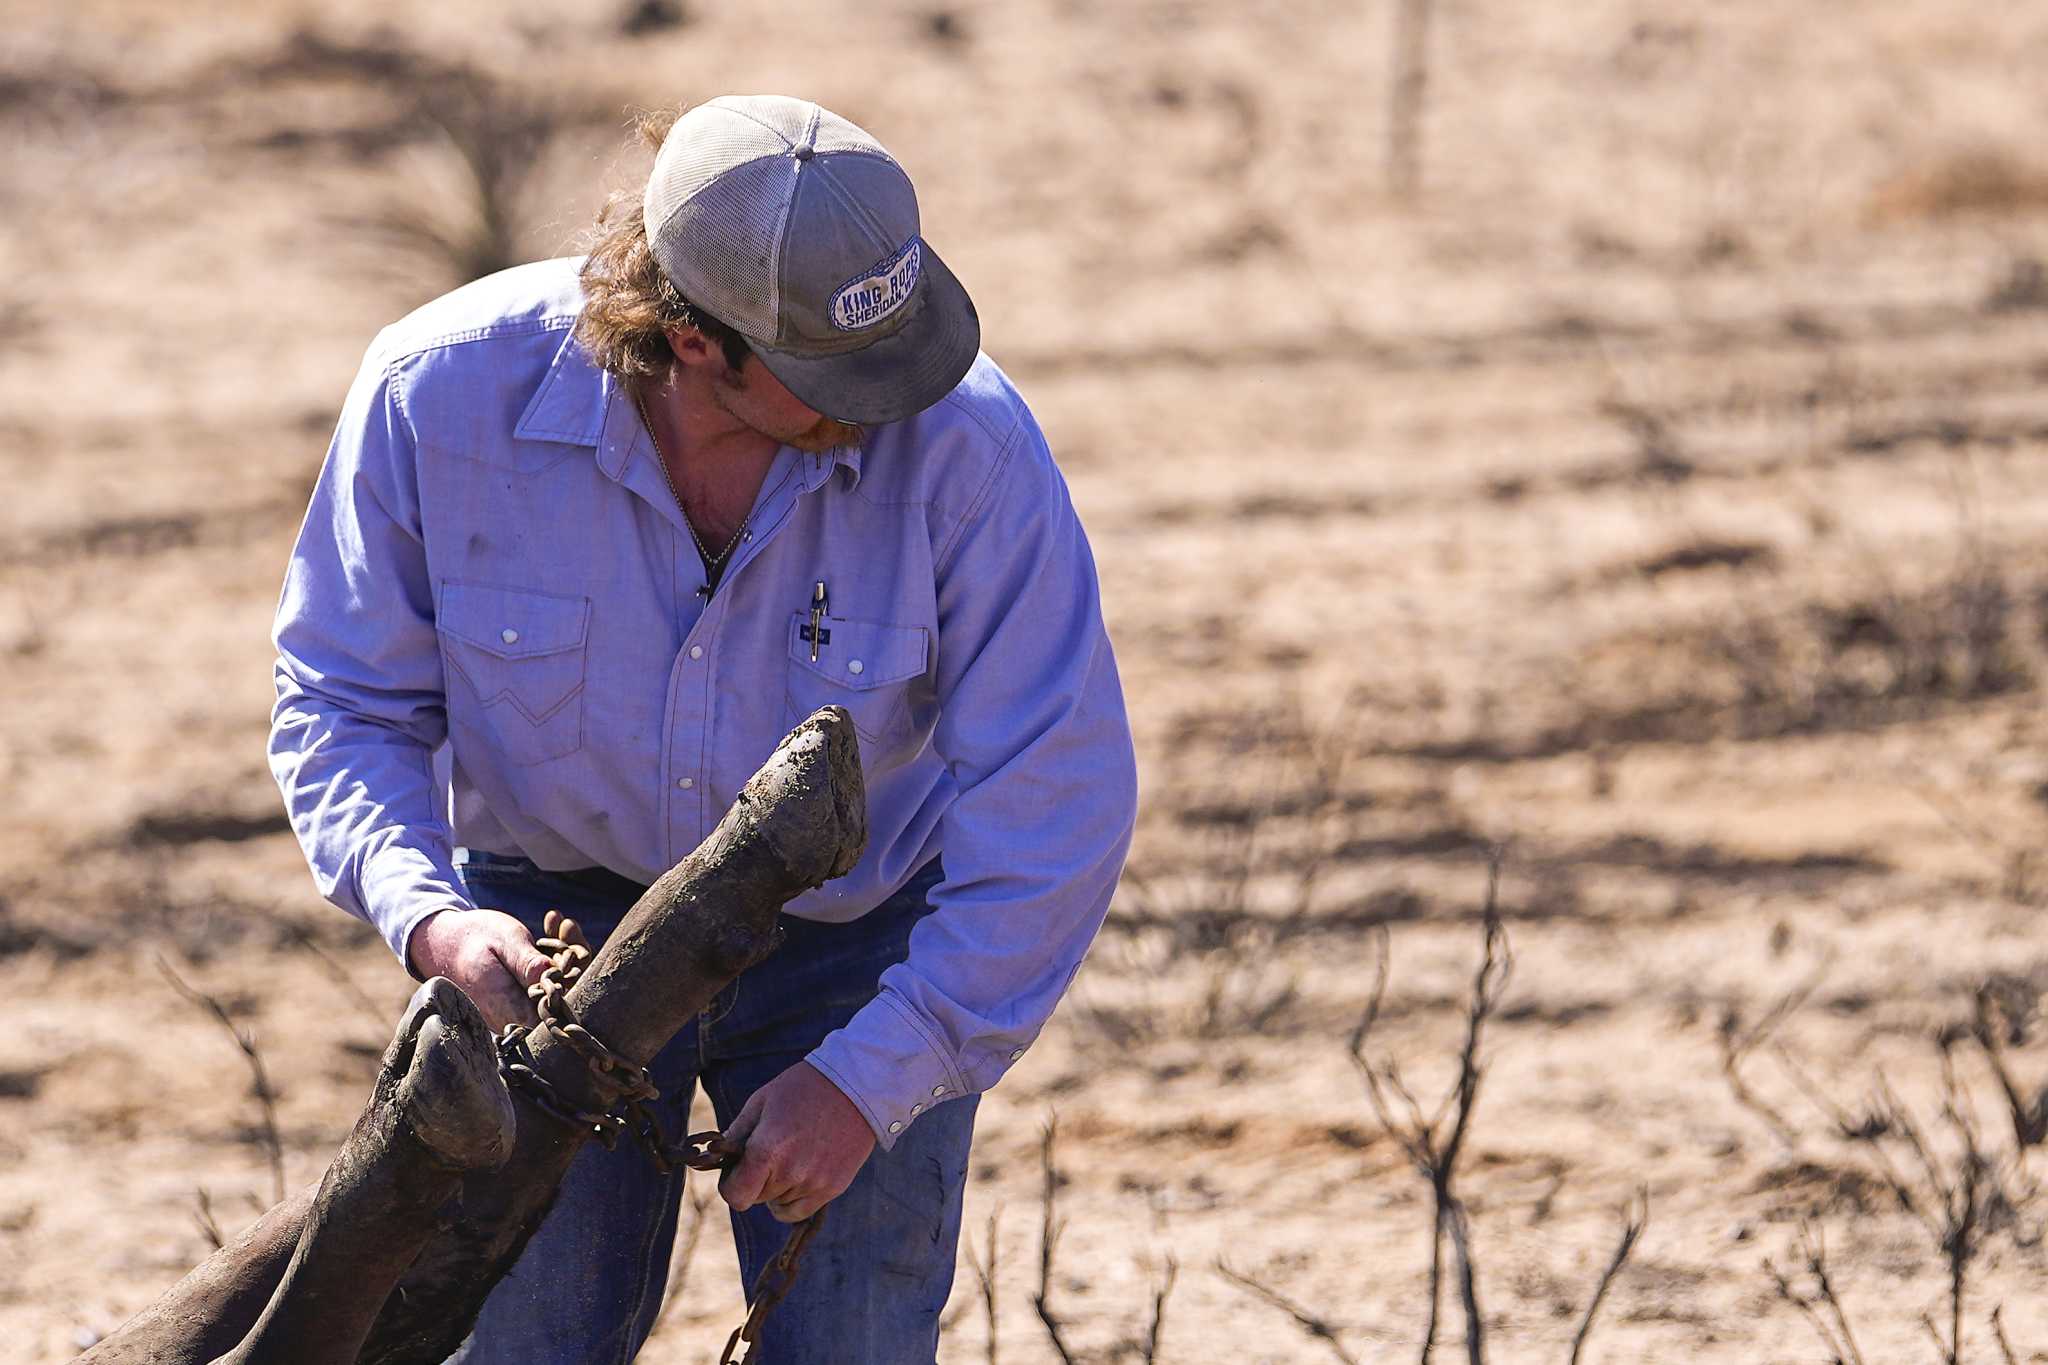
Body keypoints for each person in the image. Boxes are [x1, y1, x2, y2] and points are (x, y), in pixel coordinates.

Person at [267, 94, 1137, 1363]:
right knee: (528, 1345)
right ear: (691, 338)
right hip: (553, 935)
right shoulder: (435, 395)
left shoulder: (969, 452)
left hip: (856, 948)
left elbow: (1055, 795)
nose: (889, 397)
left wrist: (875, 1075)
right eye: (835, 372)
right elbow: (342, 700)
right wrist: (433, 917)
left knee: (848, 1348)